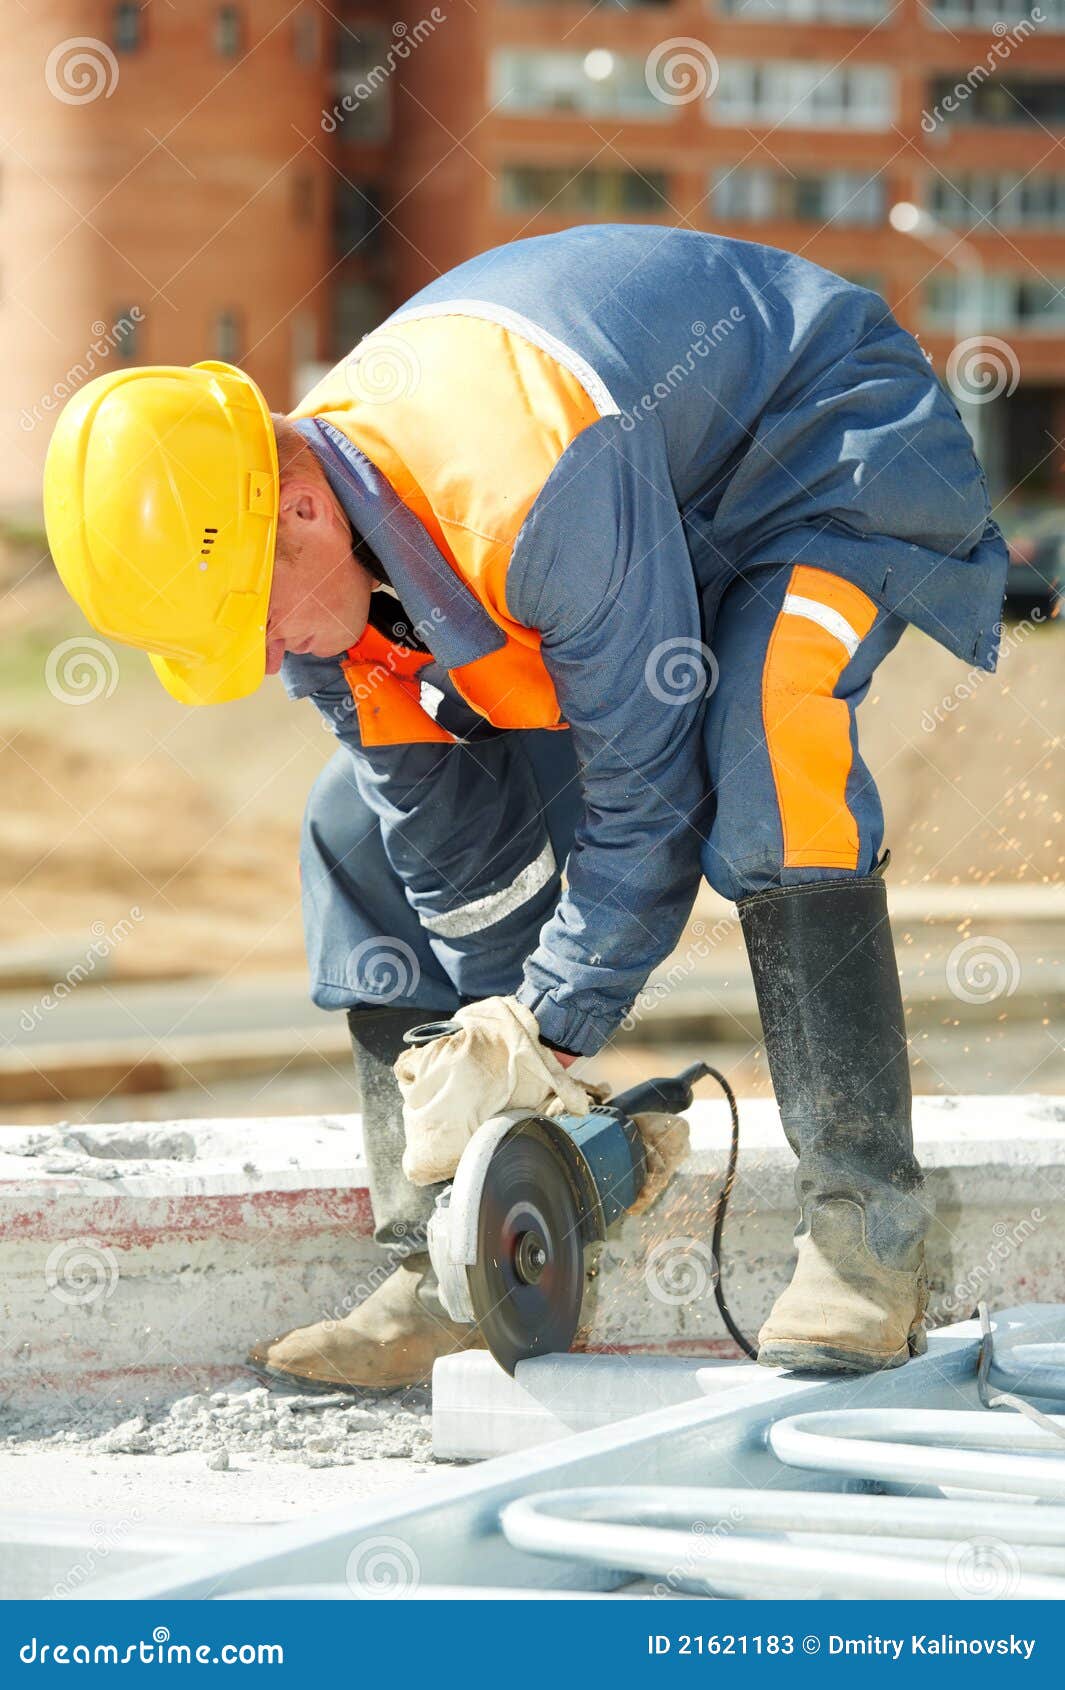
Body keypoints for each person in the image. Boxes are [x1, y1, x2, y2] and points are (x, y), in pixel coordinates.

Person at [44, 225, 1008, 1389]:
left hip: (813, 459)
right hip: (641, 527)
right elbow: (446, 844)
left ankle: (868, 1226)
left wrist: (550, 1023)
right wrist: (513, 1095)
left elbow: (646, 804)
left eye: (247, 620)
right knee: (351, 830)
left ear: (298, 507)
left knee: (769, 740)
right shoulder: (314, 567)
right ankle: (441, 1268)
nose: (255, 662)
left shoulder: (524, 482)